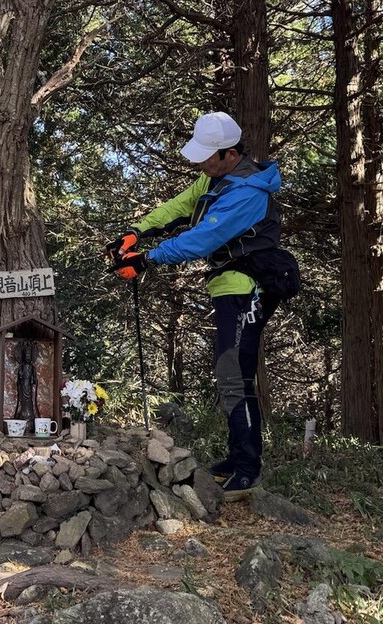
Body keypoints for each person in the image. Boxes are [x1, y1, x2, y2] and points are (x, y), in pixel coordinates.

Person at [109, 111, 293, 500]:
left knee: (235, 376)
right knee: (230, 374)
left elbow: (202, 239)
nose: (199, 163)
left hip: (247, 288)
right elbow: (179, 206)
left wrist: (145, 260)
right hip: (229, 286)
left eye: (207, 157)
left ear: (230, 154)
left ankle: (248, 469)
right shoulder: (215, 177)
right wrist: (136, 231)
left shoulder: (246, 192)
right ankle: (238, 457)